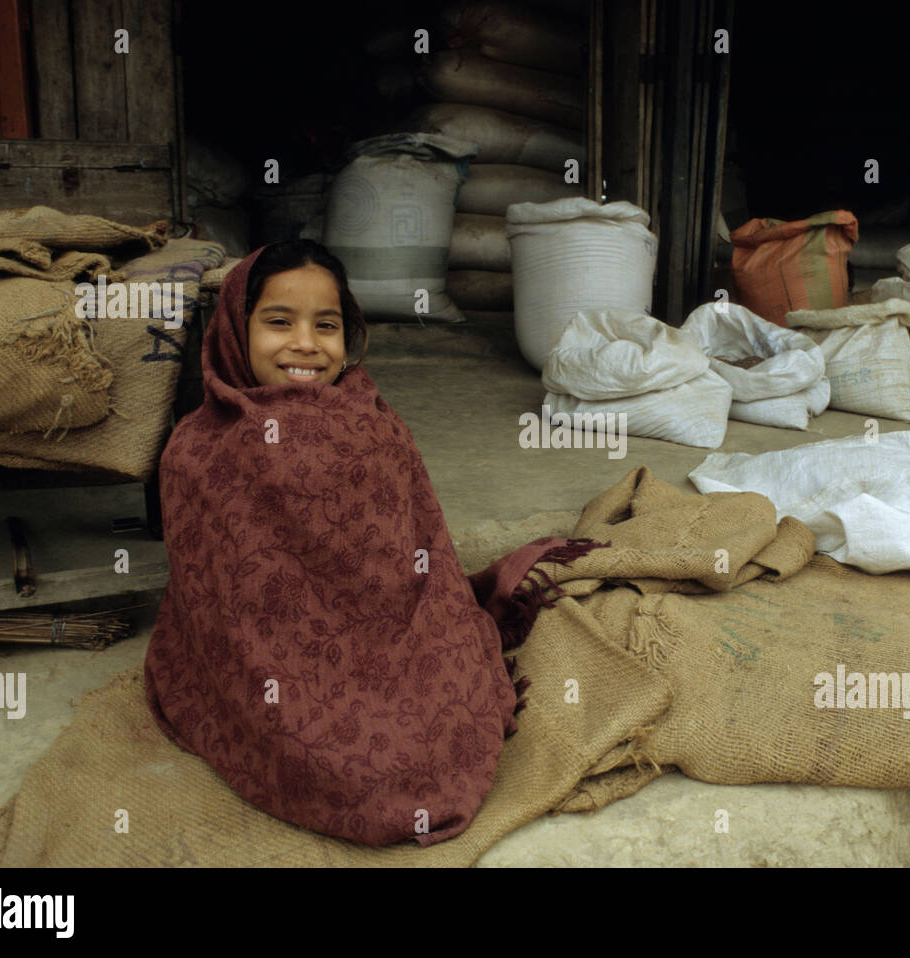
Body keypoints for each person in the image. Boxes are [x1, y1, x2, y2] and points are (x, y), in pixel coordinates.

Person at [144, 240, 601, 847]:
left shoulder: (372, 423)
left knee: (440, 735)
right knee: (336, 767)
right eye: (279, 321)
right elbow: (222, 616)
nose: (305, 344)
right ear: (234, 328)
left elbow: (419, 566)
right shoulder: (197, 451)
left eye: (326, 326)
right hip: (274, 671)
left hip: (393, 643)